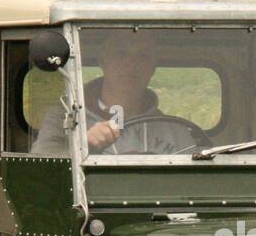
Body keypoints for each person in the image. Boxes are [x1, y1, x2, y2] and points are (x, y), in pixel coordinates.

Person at [31, 33, 197, 156]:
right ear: (102, 60)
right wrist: (84, 146)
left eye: (143, 56)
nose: (131, 64)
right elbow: (40, 171)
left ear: (153, 67)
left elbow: (194, 183)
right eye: (121, 53)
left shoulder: (175, 130)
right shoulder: (65, 117)